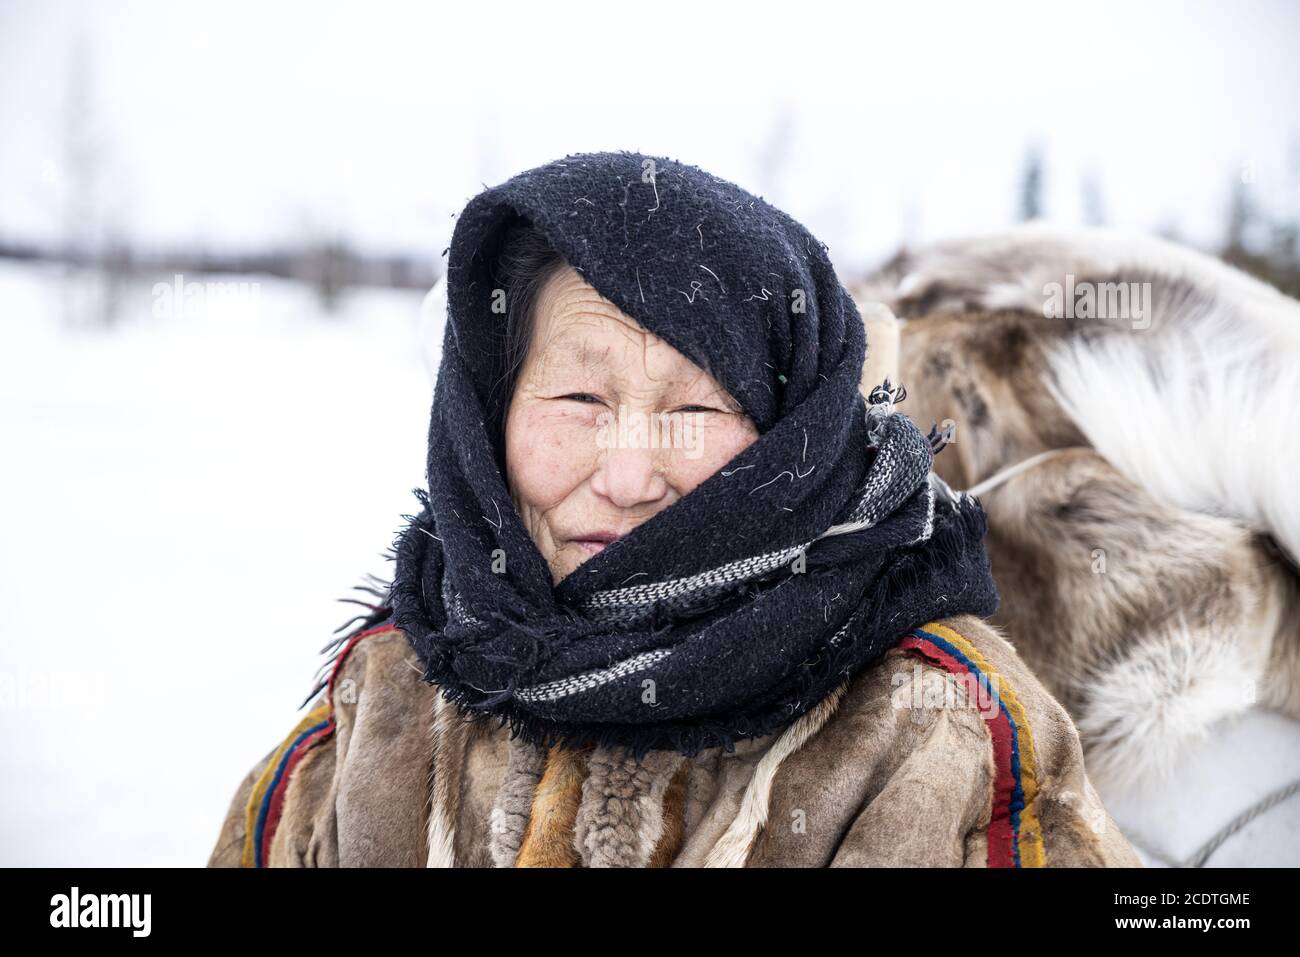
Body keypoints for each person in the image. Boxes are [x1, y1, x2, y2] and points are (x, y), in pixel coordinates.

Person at [207, 151, 1141, 867]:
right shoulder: (395, 681)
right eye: (579, 402)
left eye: (696, 411)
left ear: (789, 439)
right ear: (487, 415)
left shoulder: (940, 726)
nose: (629, 477)